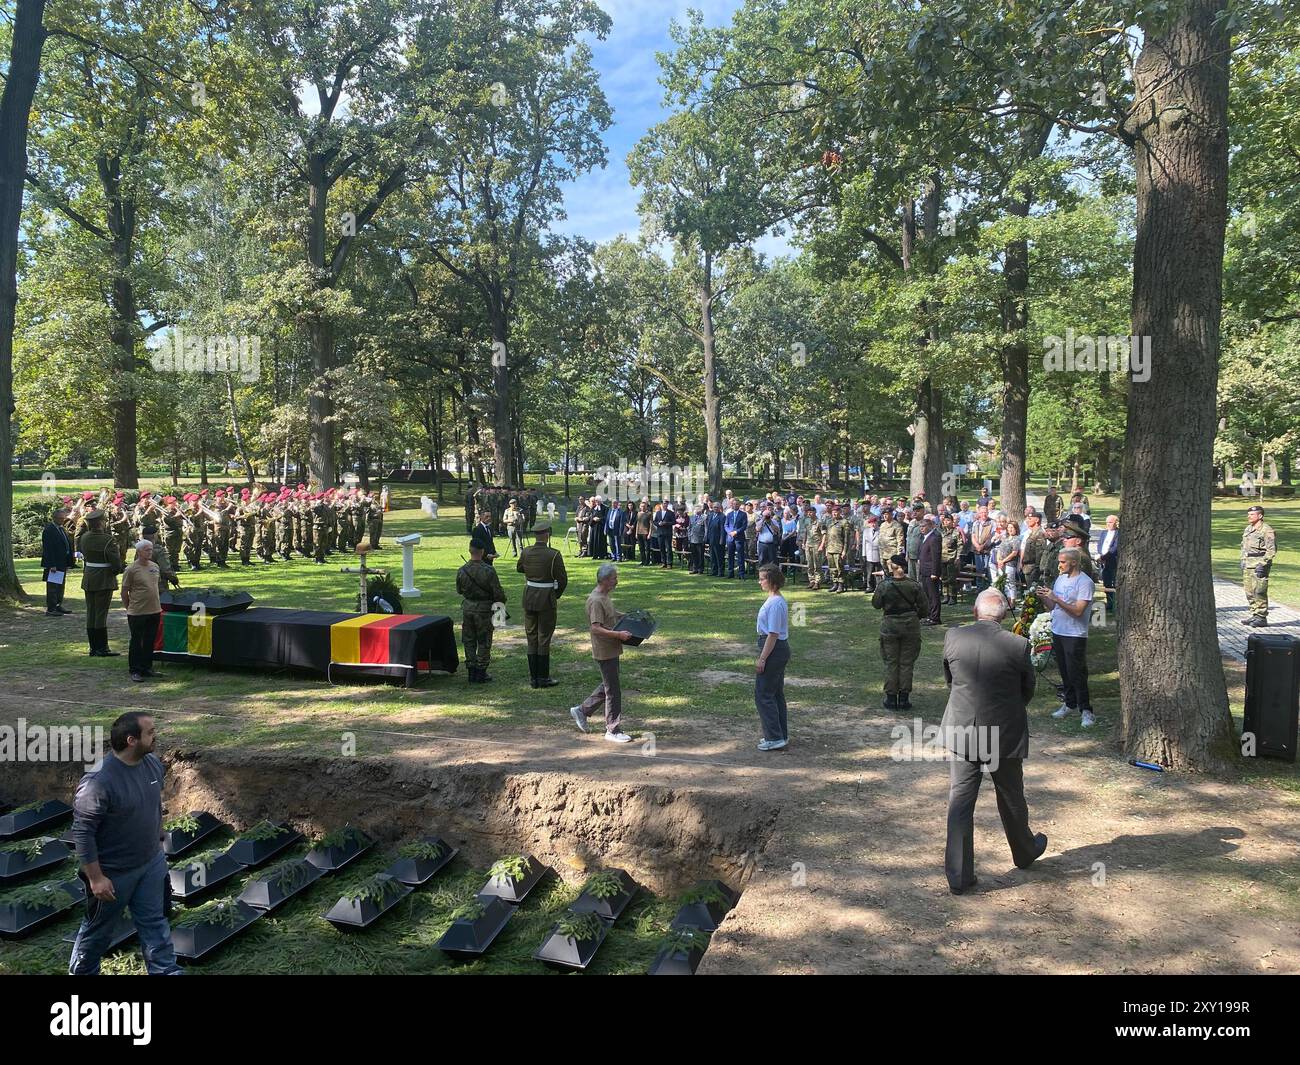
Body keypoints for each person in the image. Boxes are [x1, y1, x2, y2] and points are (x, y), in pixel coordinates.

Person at [940, 590, 1048, 895]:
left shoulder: (953, 637)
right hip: (1003, 730)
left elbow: (950, 680)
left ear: (976, 612)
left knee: (960, 800)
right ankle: (1025, 851)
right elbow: (1027, 690)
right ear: (1003, 616)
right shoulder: (1018, 645)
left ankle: (959, 876)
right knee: (1011, 795)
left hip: (962, 728)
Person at [68, 711, 182, 975]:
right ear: (132, 740)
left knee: (156, 925)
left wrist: (158, 833)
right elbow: (83, 832)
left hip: (150, 863)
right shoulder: (98, 782)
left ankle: (166, 972)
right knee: (98, 932)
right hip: (114, 874)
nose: (156, 736)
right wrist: (96, 878)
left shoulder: (152, 764)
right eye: (150, 732)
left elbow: (153, 801)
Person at [569, 563, 634, 743]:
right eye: (614, 578)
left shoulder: (604, 596)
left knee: (609, 684)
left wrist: (624, 616)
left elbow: (609, 615)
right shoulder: (596, 600)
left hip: (611, 647)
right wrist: (618, 634)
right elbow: (595, 628)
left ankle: (582, 710)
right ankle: (612, 729)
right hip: (604, 649)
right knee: (613, 690)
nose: (617, 581)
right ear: (605, 580)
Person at [1040, 547, 1096, 727]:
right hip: (1059, 630)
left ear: (1074, 562)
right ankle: (1069, 703)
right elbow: (1052, 607)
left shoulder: (1084, 582)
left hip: (1075, 633)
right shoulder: (1061, 579)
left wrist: (1056, 599)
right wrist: (1044, 597)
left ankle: (1086, 710)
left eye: (1063, 562)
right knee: (1064, 671)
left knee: (1077, 672)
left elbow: (1079, 611)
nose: (1059, 565)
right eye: (1059, 561)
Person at [517, 518, 567, 688]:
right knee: (544, 637)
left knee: (532, 637)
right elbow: (562, 579)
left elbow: (520, 568)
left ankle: (533, 678)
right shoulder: (554, 554)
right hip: (546, 598)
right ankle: (543, 678)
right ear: (547, 534)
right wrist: (555, 595)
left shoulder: (526, 552)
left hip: (530, 597)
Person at [871, 554, 925, 710]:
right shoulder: (914, 585)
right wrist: (913, 616)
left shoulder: (884, 585)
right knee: (907, 663)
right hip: (911, 627)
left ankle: (890, 698)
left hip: (890, 627)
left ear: (893, 567)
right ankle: (903, 698)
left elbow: (876, 604)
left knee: (891, 662)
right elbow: (924, 608)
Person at [457, 536, 506, 683]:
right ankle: (481, 671)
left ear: (469, 550)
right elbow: (498, 593)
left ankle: (471, 670)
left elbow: (459, 590)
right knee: (484, 641)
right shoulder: (489, 571)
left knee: (469, 640)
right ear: (483, 551)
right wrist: (501, 607)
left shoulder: (462, 570)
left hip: (468, 609)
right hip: (484, 610)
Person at [754, 564, 791, 751]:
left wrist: (762, 658)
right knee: (775, 693)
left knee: (764, 694)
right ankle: (780, 735)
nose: (759, 581)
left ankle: (774, 736)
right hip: (774, 648)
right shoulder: (773, 600)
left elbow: (773, 634)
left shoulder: (776, 603)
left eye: (763, 578)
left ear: (773, 581)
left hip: (774, 649)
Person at [77, 510, 123, 657]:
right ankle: (102, 648)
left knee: (91, 612)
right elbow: (115, 563)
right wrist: (117, 570)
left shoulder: (84, 537)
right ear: (101, 523)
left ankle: (93, 647)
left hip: (89, 576)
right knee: (101, 614)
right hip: (103, 578)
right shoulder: (107, 540)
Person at [121, 540, 163, 683]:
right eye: (146, 550)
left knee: (150, 640)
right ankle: (135, 670)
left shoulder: (155, 567)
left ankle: (147, 667)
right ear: (138, 552)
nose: (150, 552)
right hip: (137, 611)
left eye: (151, 550)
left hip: (154, 609)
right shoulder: (131, 569)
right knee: (137, 641)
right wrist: (129, 608)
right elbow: (124, 591)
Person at [1241, 505, 1276, 626]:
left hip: (1259, 565)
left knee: (1259, 591)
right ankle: (1254, 614)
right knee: (1249, 592)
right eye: (1248, 514)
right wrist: (1243, 561)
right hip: (1248, 564)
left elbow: (1271, 550)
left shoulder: (1267, 530)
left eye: (1252, 514)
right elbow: (1244, 547)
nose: (1249, 516)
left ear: (1260, 516)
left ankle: (1261, 617)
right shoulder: (1248, 529)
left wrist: (1263, 564)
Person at [42, 506, 76, 617]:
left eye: (63, 518)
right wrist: (51, 564)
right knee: (53, 586)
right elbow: (48, 549)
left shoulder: (61, 529)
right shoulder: (49, 530)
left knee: (60, 585)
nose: (63, 520)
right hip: (54, 563)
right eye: (61, 518)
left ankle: (58, 605)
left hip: (62, 562)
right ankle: (51, 608)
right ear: (54, 518)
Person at [917, 515, 942, 625]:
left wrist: (934, 572)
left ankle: (935, 618)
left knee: (933, 595)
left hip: (931, 572)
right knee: (927, 595)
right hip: (925, 571)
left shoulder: (934, 538)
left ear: (930, 526)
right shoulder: (925, 538)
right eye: (920, 526)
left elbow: (936, 557)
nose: (921, 528)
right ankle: (929, 615)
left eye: (923, 526)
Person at [1096, 514, 1120, 612]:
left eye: (1110, 522)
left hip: (1112, 561)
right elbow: (1100, 544)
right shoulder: (1104, 533)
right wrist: (1100, 555)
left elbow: (1114, 548)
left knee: (1113, 582)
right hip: (1103, 561)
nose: (1108, 524)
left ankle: (1115, 603)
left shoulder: (1118, 533)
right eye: (1107, 522)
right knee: (1106, 582)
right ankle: (1109, 602)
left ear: (1116, 523)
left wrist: (1103, 557)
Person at [725, 498, 748, 578]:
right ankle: (730, 573)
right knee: (730, 556)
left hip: (739, 538)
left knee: (740, 556)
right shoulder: (729, 514)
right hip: (730, 538)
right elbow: (726, 525)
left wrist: (736, 532)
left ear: (739, 505)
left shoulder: (743, 514)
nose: (735, 505)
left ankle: (741, 574)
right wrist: (730, 532)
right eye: (734, 504)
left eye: (737, 504)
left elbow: (744, 526)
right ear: (732, 505)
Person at [707, 501, 726, 577]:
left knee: (719, 557)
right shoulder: (711, 515)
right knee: (712, 556)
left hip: (718, 540)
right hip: (711, 539)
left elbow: (722, 530)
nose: (715, 508)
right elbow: (709, 527)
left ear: (720, 508)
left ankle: (720, 572)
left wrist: (722, 540)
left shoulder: (722, 516)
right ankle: (713, 571)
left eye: (717, 507)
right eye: (714, 507)